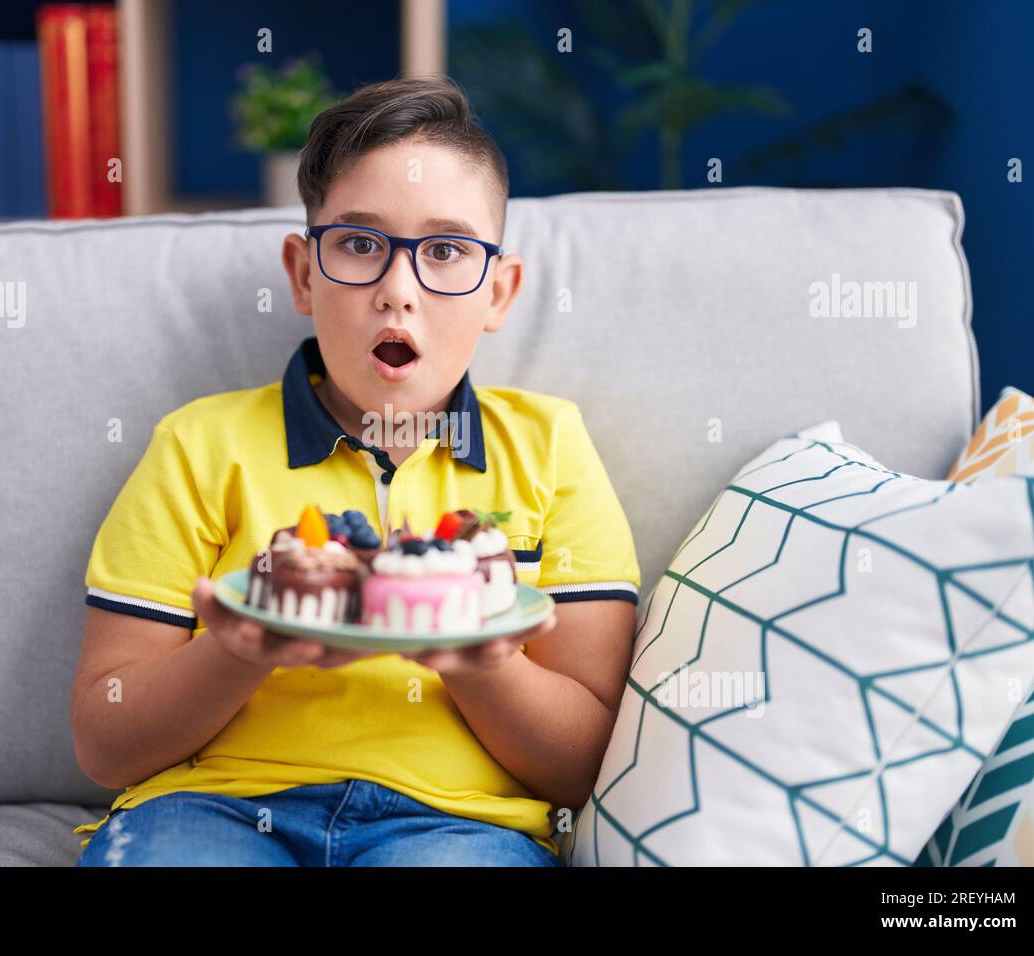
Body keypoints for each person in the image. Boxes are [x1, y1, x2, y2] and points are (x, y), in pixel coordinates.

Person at [71, 75, 640, 866]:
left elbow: (583, 764)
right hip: (214, 811)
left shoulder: (550, 448)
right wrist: (242, 645)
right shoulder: (199, 445)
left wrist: (478, 657)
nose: (397, 292)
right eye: (360, 245)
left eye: (445, 251)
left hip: (454, 829)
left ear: (498, 291)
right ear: (305, 275)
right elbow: (104, 742)